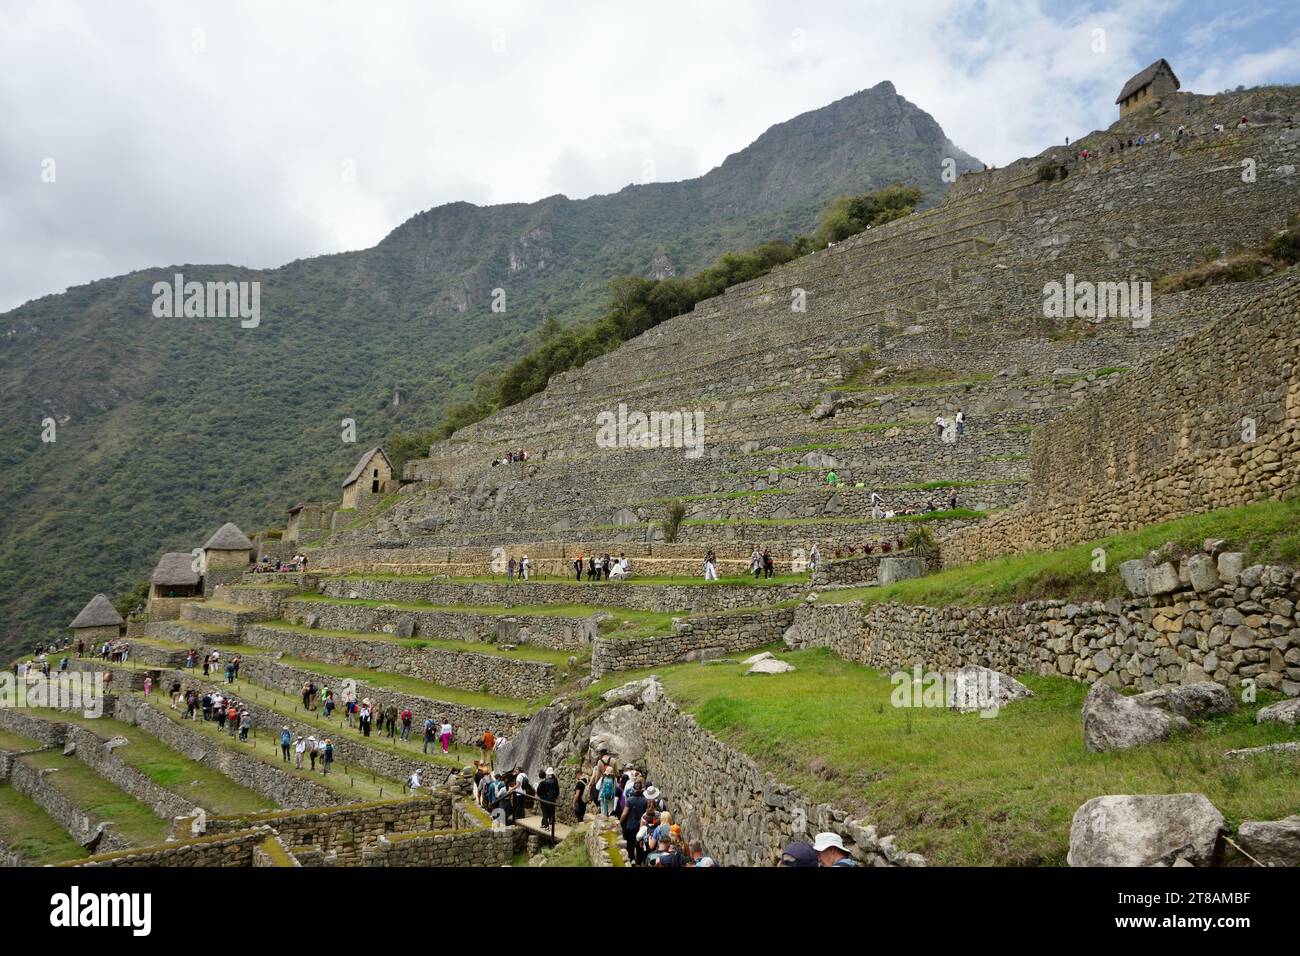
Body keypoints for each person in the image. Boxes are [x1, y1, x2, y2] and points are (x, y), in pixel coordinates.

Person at [619, 778, 648, 862]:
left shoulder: (630, 800)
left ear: (633, 789)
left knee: (630, 844)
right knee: (639, 844)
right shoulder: (645, 800)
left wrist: (620, 822)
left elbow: (624, 814)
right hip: (641, 827)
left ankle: (632, 859)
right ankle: (639, 860)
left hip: (630, 826)